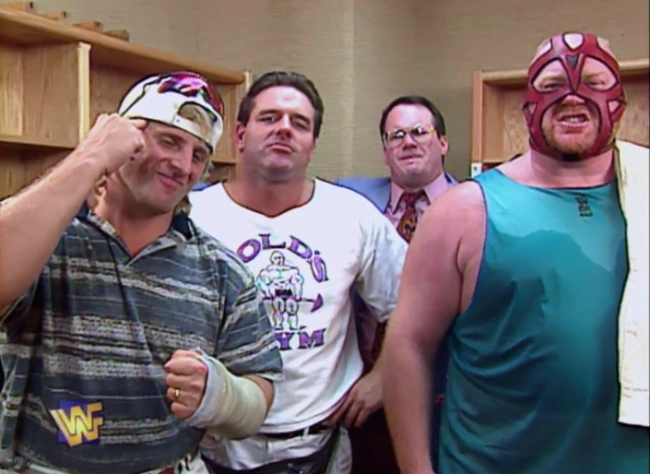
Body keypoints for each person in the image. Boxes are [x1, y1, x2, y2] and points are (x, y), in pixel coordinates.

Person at [383, 31, 650, 474]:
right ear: (527, 105)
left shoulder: (645, 195)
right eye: (552, 85)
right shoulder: (461, 212)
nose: (572, 96)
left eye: (593, 82)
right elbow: (409, 344)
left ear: (620, 101)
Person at [0, 71, 282, 474]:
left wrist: (222, 395)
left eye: (198, 155)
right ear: (124, 136)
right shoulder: (49, 240)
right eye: (169, 141)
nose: (183, 165)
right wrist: (91, 156)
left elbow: (260, 389)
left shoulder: (222, 272)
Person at [189, 71, 408, 474]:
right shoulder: (192, 216)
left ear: (312, 145)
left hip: (320, 446)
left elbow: (411, 304)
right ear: (240, 135)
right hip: (214, 445)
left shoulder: (352, 215)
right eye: (269, 118)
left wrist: (383, 376)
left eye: (300, 123)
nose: (284, 129)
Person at [336, 95, 457, 473]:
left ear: (443, 143)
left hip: (441, 395)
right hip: (351, 399)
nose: (408, 142)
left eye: (420, 132)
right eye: (397, 135)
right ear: (385, 151)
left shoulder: (475, 207)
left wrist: (389, 378)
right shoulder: (349, 201)